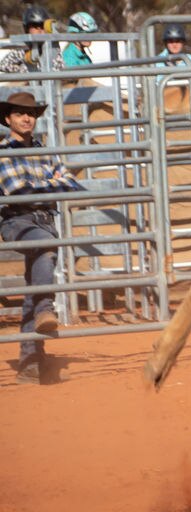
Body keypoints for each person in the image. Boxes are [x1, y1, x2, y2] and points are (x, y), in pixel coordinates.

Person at [0, 92, 85, 385]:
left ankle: (31, 363)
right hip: (17, 220)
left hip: (45, 221)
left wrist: (39, 187)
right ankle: (46, 308)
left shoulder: (44, 149)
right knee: (46, 251)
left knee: (35, 285)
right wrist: (49, 184)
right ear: (8, 118)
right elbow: (17, 190)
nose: (27, 118)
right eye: (20, 113)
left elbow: (71, 184)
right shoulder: (3, 150)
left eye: (32, 114)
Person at [0, 5, 64, 73]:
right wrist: (25, 69)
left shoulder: (52, 47)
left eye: (42, 25)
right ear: (27, 28)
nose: (39, 29)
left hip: (48, 78)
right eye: (35, 25)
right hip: (30, 79)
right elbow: (3, 65)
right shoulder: (23, 48)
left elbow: (59, 67)